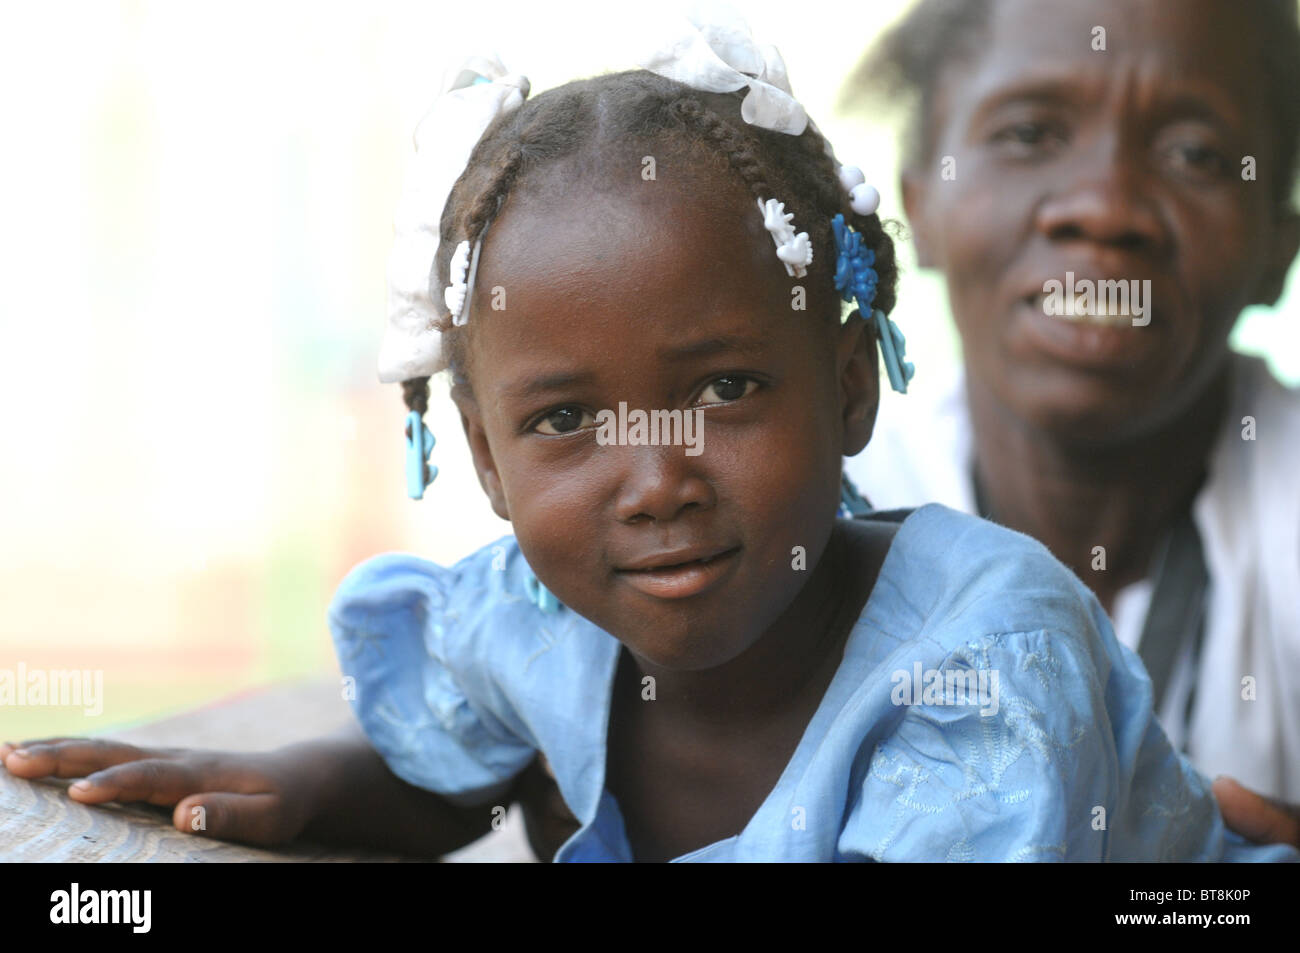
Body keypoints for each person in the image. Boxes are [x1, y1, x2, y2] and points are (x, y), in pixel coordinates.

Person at [1, 9, 1294, 862]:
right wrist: (317, 786)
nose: (656, 476)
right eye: (567, 419)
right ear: (488, 458)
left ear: (851, 385)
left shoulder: (982, 667)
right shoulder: (545, 615)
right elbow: (466, 756)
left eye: (726, 389)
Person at [840, 0, 1300, 808]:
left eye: (1195, 153)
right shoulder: (814, 512)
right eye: (1028, 134)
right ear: (921, 209)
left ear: (1278, 249)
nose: (1104, 207)